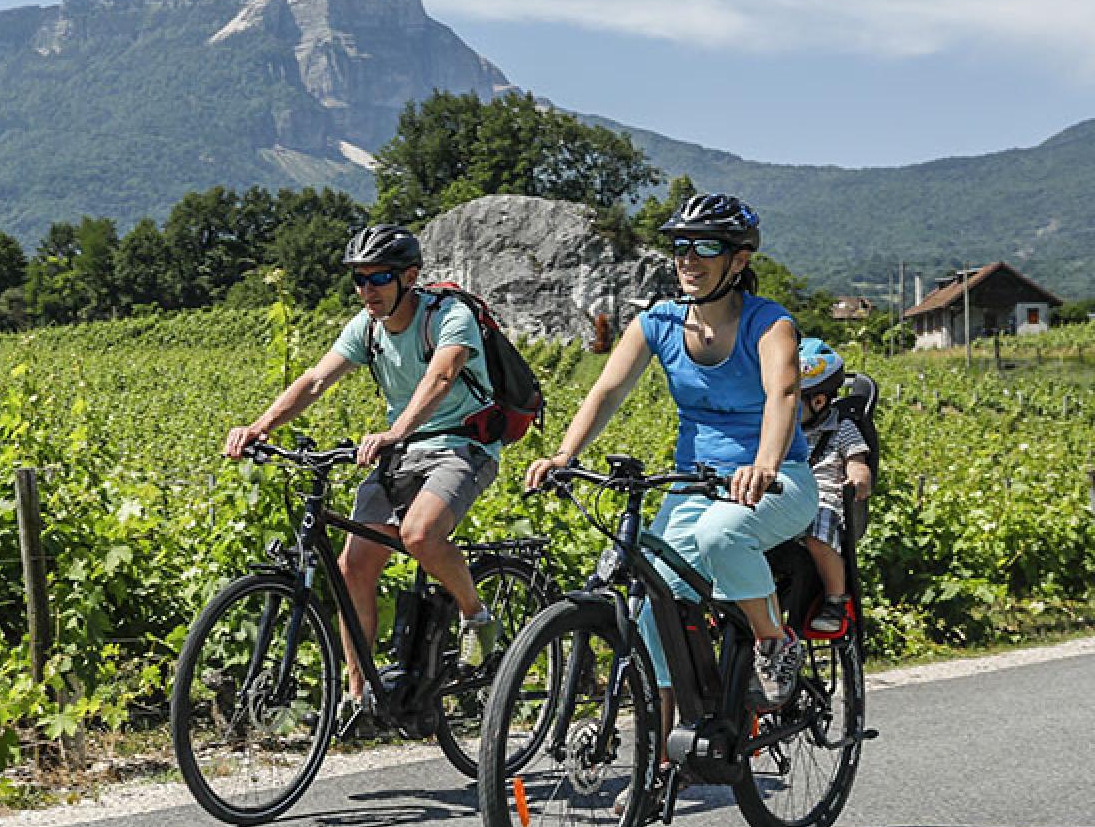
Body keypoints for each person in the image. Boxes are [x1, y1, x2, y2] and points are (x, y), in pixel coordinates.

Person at [522, 194, 820, 716]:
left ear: (739, 259)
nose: (689, 259)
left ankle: (775, 644)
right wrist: (565, 453)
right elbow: (607, 392)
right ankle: (659, 764)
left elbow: (784, 394)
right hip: (695, 486)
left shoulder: (770, 324)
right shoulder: (657, 322)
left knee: (720, 533)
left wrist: (766, 463)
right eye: (681, 246)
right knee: (650, 602)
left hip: (778, 482)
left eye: (707, 246)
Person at [223, 224, 503, 731]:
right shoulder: (367, 328)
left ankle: (476, 616)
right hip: (403, 449)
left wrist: (396, 430)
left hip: (463, 445)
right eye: (359, 279)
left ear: (409, 277)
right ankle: (359, 697)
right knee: (353, 566)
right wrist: (259, 426)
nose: (368, 289)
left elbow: (442, 375)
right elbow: (315, 379)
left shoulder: (448, 317)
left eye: (380, 277)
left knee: (419, 534)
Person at [796, 338, 872, 636]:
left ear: (818, 401)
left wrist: (858, 477)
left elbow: (856, 459)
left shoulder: (841, 429)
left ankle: (835, 599)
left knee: (818, 528)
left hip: (823, 498)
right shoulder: (780, 430)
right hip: (783, 495)